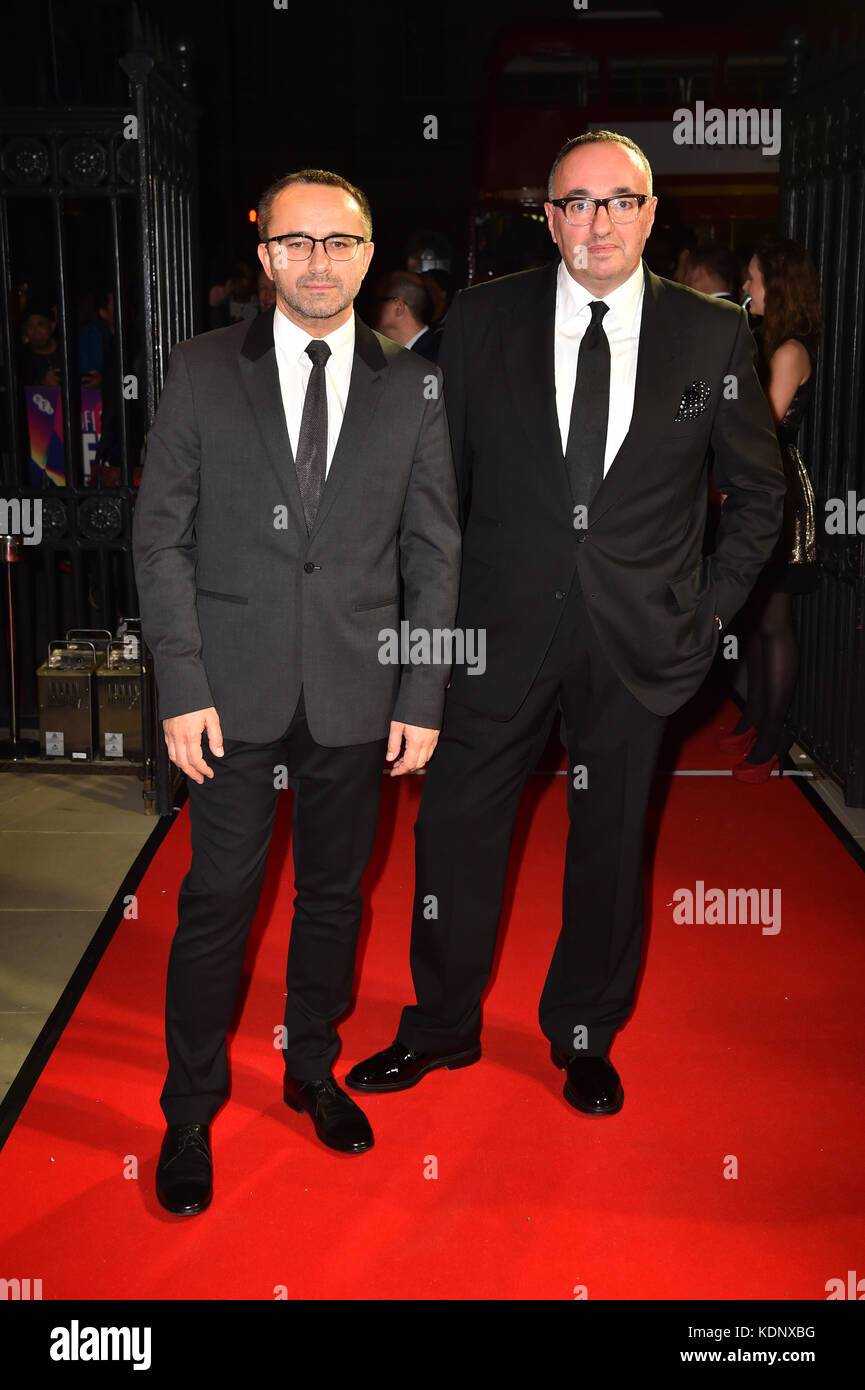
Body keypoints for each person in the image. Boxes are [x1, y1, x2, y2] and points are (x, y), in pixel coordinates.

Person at [347, 131, 786, 1116]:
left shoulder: (711, 333)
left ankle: (584, 1032)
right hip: (492, 632)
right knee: (455, 834)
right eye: (575, 204)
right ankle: (441, 1025)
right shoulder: (483, 322)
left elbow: (759, 492)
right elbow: (434, 493)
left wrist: (708, 609)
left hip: (638, 640)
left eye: (618, 202)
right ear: (546, 217)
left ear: (650, 212)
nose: (597, 223)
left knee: (609, 843)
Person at [133, 168, 461, 1215]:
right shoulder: (196, 370)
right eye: (296, 241)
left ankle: (311, 1066)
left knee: (332, 895)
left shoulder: (413, 383)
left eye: (341, 241)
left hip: (359, 695)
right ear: (265, 254)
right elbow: (160, 536)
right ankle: (189, 1107)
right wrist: (179, 683)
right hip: (226, 695)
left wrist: (422, 690)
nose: (318, 260)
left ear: (370, 257)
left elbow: (433, 549)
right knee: (217, 900)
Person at [717, 238, 822, 782]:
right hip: (760, 486)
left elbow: (767, 427)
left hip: (779, 493)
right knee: (756, 617)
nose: (745, 288)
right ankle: (757, 716)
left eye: (753, 279)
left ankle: (774, 737)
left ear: (775, 285)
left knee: (774, 621)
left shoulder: (788, 351)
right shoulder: (768, 341)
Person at [369, 269, 437, 359]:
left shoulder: (437, 357)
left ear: (399, 307)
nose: (369, 309)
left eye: (376, 302)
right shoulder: (389, 354)